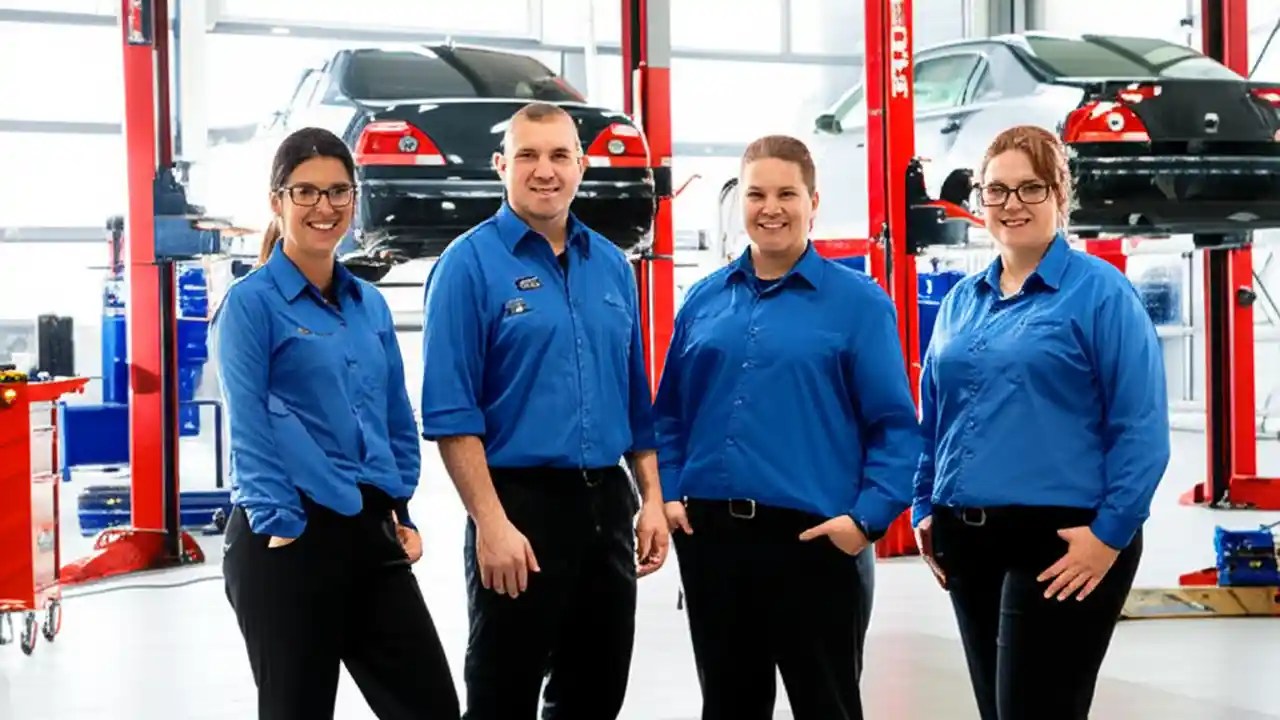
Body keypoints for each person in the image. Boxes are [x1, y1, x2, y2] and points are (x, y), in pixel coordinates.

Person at [652, 134, 921, 720]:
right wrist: (669, 493)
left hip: (815, 545)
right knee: (728, 706)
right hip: (714, 543)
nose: (770, 208)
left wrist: (866, 520)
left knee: (826, 706)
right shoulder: (702, 301)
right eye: (756, 194)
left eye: (786, 194)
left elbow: (896, 427)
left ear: (813, 202)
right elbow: (670, 412)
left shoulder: (858, 304)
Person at [419, 102, 670, 720]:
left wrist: (652, 500)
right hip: (518, 506)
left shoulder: (612, 266)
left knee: (595, 690)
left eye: (559, 155)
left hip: (606, 505)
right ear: (501, 165)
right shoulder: (467, 266)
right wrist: (491, 524)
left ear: (580, 166)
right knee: (504, 689)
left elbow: (635, 399)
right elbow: (453, 416)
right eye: (527, 155)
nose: (544, 170)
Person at [912, 125, 1170, 720]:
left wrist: (1110, 535)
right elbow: (937, 415)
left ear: (1060, 195)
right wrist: (924, 505)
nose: (1011, 205)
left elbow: (1141, 427)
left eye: (1030, 189)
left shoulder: (1100, 294)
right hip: (967, 538)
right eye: (995, 191)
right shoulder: (961, 300)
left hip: (1063, 542)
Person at [214, 127, 460, 720]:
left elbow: (394, 414)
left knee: (430, 706)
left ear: (354, 198)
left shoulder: (368, 303)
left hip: (369, 532)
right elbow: (248, 423)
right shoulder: (251, 303)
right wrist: (281, 523)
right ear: (278, 201)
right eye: (306, 192)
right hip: (288, 538)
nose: (324, 207)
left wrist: (400, 507)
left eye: (337, 191)